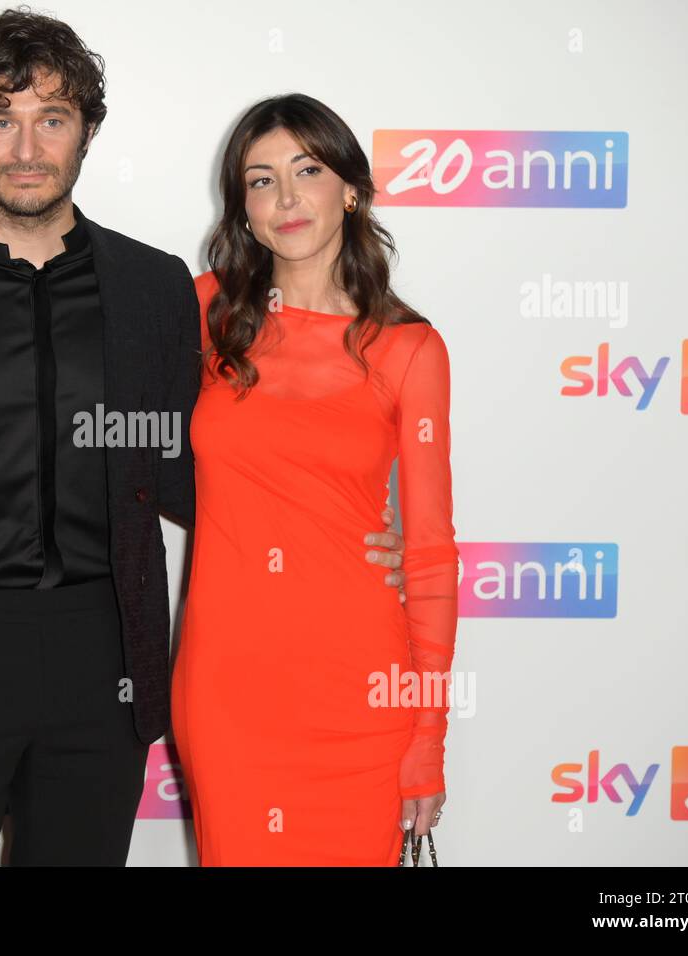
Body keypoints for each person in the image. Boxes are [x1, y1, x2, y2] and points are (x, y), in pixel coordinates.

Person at [0, 7, 406, 866]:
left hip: (100, 660)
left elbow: (211, 467)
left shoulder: (155, 291)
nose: (26, 147)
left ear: (86, 130)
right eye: (1, 119)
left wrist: (355, 537)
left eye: (52, 118)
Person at [169, 93, 459, 865]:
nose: (287, 198)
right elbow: (72, 312)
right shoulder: (203, 313)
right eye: (261, 181)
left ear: (352, 189)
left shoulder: (409, 348)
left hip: (361, 692)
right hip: (228, 688)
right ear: (243, 209)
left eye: (309, 170)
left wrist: (425, 738)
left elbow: (429, 555)